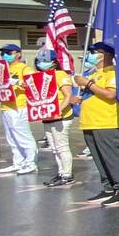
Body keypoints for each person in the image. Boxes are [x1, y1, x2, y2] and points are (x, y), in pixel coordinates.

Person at [72, 42, 119, 205]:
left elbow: (110, 94)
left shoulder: (112, 72)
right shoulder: (91, 73)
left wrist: (88, 84)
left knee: (111, 157)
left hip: (106, 121)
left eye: (94, 52)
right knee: (98, 157)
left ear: (105, 55)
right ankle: (108, 187)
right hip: (89, 121)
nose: (90, 54)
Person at [33, 48, 75, 187]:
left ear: (53, 61)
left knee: (62, 146)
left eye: (44, 61)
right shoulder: (40, 76)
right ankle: (61, 172)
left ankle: (68, 175)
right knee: (55, 148)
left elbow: (68, 96)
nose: (41, 63)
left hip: (61, 116)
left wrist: (59, 110)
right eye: (39, 61)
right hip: (47, 116)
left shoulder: (60, 74)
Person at [0, 44, 36, 175]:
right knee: (11, 137)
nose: (5, 55)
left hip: (19, 107)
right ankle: (18, 162)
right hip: (6, 106)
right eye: (3, 53)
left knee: (23, 136)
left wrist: (18, 83)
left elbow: (35, 86)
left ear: (18, 53)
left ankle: (30, 162)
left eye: (8, 52)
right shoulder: (4, 70)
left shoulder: (25, 69)